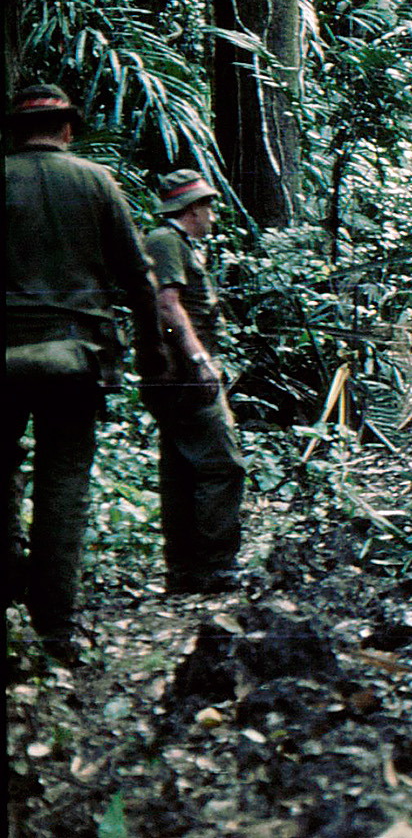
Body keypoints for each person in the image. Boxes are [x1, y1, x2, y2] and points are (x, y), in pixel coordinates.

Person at [5, 84, 169, 661]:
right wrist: (153, 354)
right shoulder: (96, 182)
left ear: (16, 133)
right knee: (63, 485)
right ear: (69, 129)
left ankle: (10, 572)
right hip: (75, 357)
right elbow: (139, 277)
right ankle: (55, 629)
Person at [143, 169, 247, 594]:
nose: (212, 216)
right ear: (191, 209)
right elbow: (167, 305)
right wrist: (199, 358)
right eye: (207, 207)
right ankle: (215, 566)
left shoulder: (176, 243)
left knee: (183, 468)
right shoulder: (166, 241)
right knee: (223, 465)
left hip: (176, 372)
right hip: (184, 373)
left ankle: (185, 570)